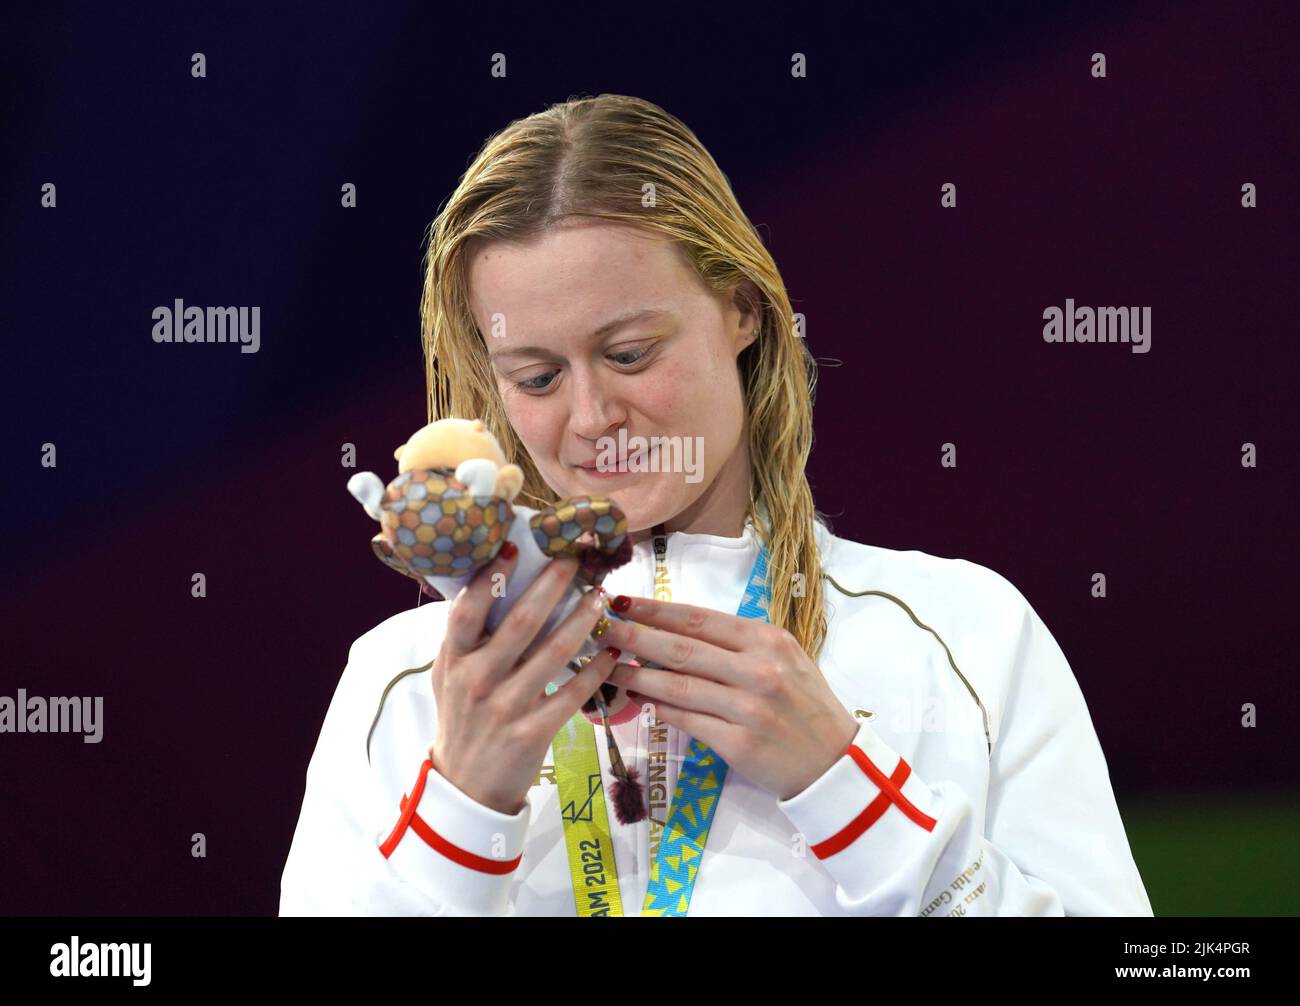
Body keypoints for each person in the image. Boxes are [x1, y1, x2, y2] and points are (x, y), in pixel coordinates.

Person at [279, 94, 1153, 917]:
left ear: (741, 310)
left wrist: (844, 787)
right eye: (538, 377)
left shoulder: (965, 634)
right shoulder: (403, 682)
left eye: (629, 352)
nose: (592, 418)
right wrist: (461, 810)